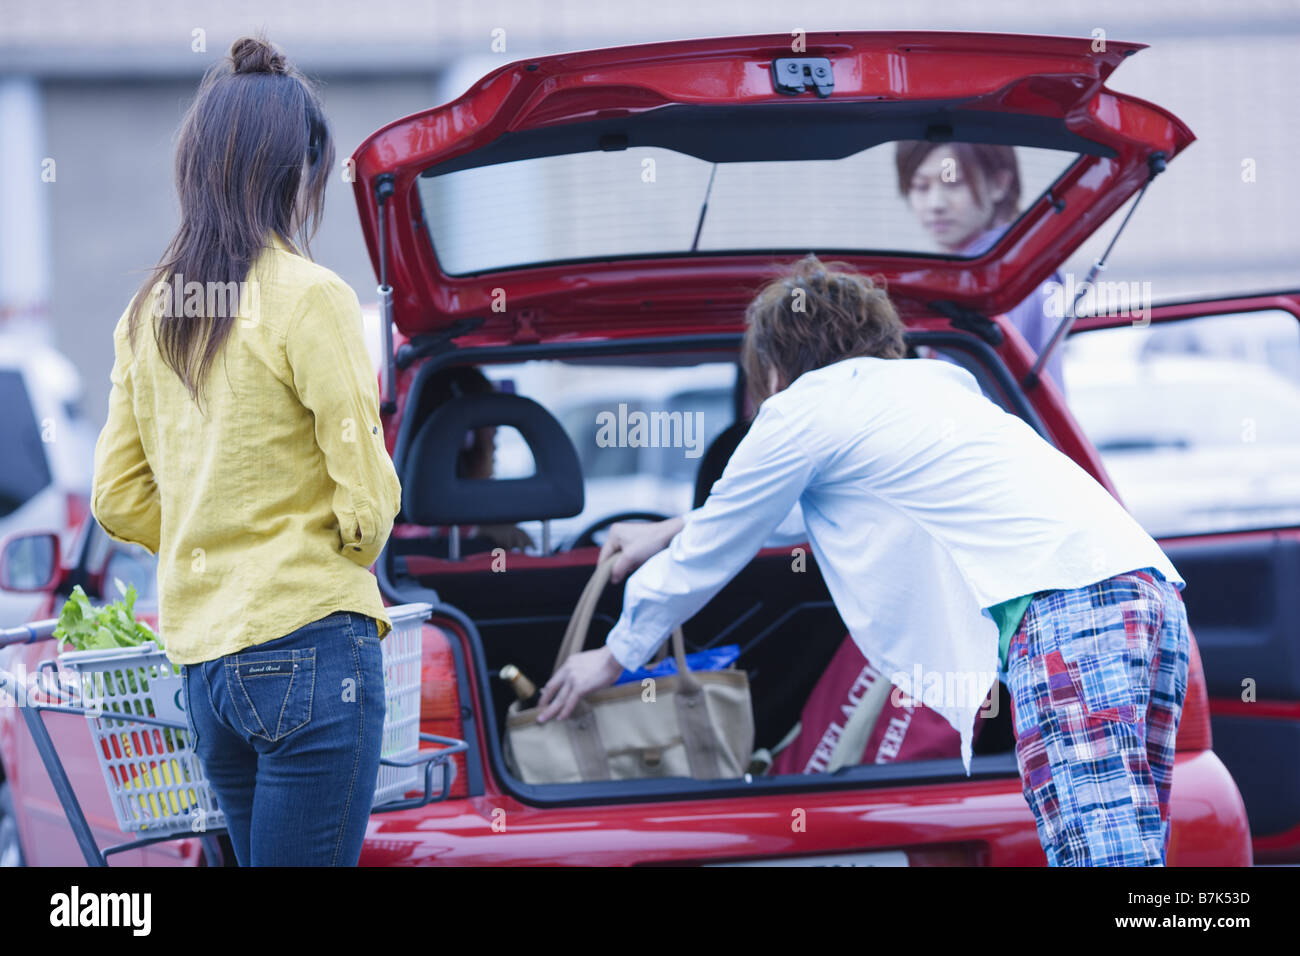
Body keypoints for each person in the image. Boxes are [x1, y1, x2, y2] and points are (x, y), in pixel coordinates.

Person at [535, 254, 1191, 867]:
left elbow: (715, 550)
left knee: (1099, 853)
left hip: (1069, 610)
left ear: (772, 367)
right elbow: (787, 509)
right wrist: (666, 531)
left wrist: (614, 656)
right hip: (1147, 590)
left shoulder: (800, 411)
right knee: (1130, 842)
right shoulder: (936, 385)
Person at [90, 35, 403, 866]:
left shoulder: (148, 310)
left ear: (197, 166)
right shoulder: (311, 296)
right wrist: (325, 547)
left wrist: (212, 538)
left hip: (207, 669)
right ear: (294, 171)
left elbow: (116, 497)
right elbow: (367, 498)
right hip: (310, 641)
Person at [895, 141, 1067, 394]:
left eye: (953, 183)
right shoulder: (1005, 266)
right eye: (920, 186)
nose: (935, 203)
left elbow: (962, 398)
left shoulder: (998, 278)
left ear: (999, 184)